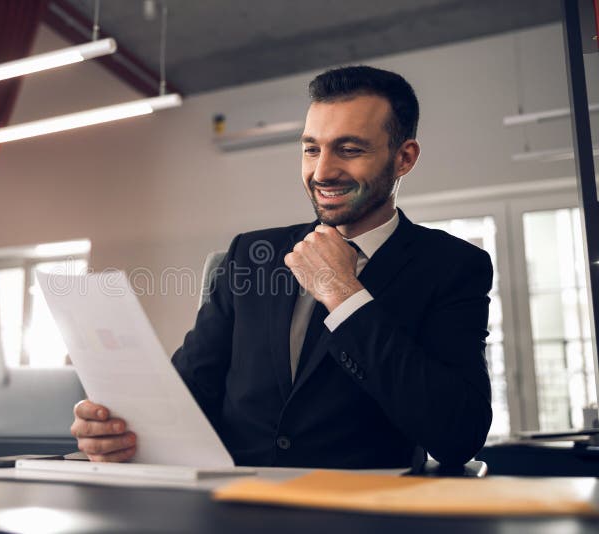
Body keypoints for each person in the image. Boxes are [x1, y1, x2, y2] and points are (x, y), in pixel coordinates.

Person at [70, 65, 493, 468]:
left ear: (404, 158)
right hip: (235, 501)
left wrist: (344, 295)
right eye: (311, 149)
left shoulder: (452, 266)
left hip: (362, 505)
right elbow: (190, 391)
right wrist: (120, 430)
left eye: (349, 150)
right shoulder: (251, 254)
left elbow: (459, 434)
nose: (322, 171)